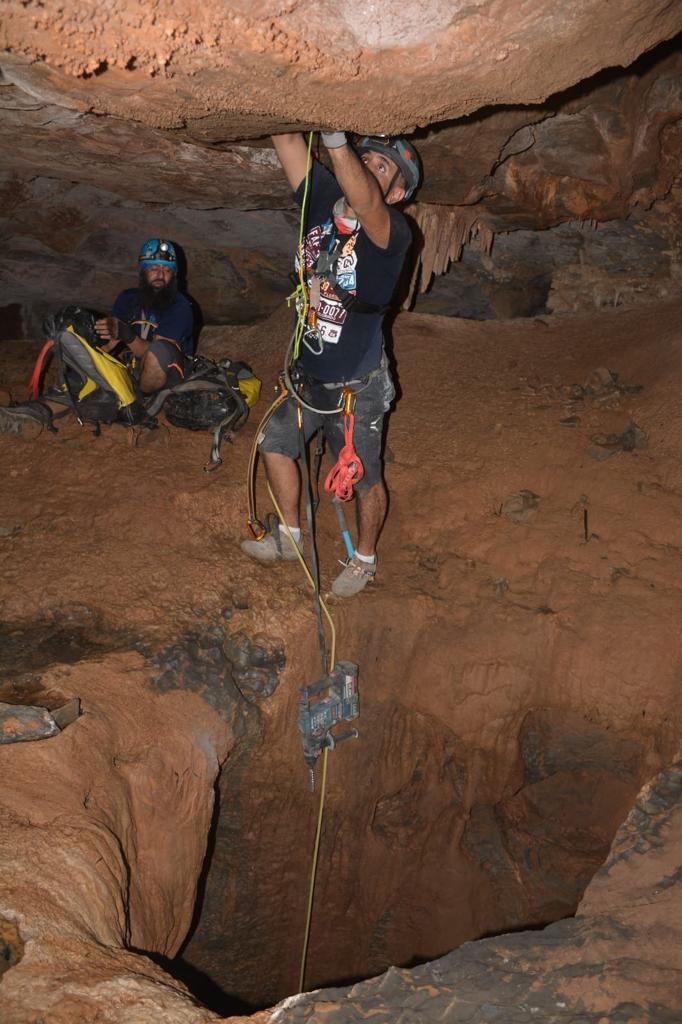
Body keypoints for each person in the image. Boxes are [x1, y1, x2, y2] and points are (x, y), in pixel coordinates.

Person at [240, 131, 421, 597]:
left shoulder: (393, 231)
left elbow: (365, 201)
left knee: (363, 476)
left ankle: (364, 558)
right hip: (308, 376)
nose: (364, 168)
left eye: (381, 168)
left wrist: (339, 140)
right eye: (365, 159)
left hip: (355, 389)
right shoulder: (321, 196)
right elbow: (286, 140)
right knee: (275, 442)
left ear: (397, 193)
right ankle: (291, 538)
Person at [97, 238, 194, 358]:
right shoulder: (127, 298)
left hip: (170, 372)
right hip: (131, 367)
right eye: (154, 269)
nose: (160, 275)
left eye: (167, 270)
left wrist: (128, 336)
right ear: (143, 271)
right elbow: (111, 341)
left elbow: (157, 357)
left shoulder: (180, 307)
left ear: (173, 276)